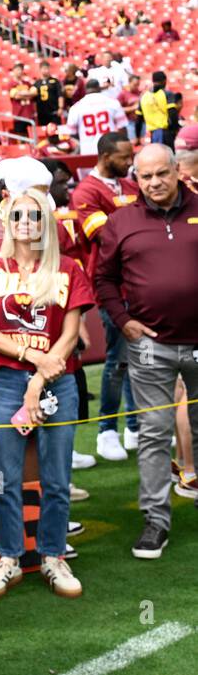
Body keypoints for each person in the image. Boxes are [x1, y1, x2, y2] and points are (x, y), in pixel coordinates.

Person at [0, 189, 91, 599]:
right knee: (5, 477)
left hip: (59, 383)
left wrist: (38, 379)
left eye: (35, 216)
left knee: (57, 478)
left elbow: (71, 335)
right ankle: (8, 558)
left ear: (46, 223)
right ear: (7, 220)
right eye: (17, 214)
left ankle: (54, 555)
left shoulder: (68, 268)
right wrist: (30, 358)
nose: (25, 222)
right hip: (5, 381)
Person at [95, 145, 198, 561]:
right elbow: (102, 278)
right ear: (135, 179)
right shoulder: (121, 222)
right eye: (145, 176)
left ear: (177, 171)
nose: (155, 183)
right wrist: (123, 322)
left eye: (162, 174)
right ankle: (156, 519)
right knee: (154, 432)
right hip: (150, 345)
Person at [71, 131, 139, 462]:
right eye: (124, 157)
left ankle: (135, 426)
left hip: (140, 284)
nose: (130, 162)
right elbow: (104, 235)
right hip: (110, 286)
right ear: (105, 156)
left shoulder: (129, 187)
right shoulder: (85, 191)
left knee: (139, 360)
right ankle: (107, 430)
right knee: (118, 360)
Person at [66, 78, 127, 148]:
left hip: (87, 149)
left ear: (85, 89)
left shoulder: (75, 107)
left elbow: (72, 134)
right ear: (99, 88)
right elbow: (122, 128)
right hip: (110, 148)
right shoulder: (113, 103)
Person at [33, 60, 63, 129]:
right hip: (42, 112)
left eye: (47, 68)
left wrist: (60, 107)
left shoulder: (55, 81)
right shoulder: (37, 83)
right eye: (44, 68)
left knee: (56, 130)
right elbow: (33, 99)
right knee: (43, 131)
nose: (46, 71)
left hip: (54, 111)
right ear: (40, 70)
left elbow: (60, 95)